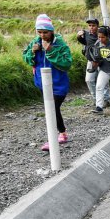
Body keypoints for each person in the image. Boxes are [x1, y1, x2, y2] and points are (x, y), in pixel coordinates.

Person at [23, 14, 72, 151]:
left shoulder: (60, 44)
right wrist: (32, 53)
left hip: (58, 85)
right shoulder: (35, 42)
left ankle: (54, 140)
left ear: (52, 31)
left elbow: (67, 63)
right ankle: (62, 133)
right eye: (39, 32)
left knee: (52, 110)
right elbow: (27, 59)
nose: (42, 35)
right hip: (42, 83)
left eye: (45, 32)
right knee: (52, 110)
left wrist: (50, 51)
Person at [76, 17, 110, 107]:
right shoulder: (86, 34)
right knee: (89, 80)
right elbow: (82, 41)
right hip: (91, 61)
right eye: (89, 25)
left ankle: (106, 100)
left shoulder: (102, 34)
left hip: (103, 61)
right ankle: (96, 99)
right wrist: (78, 36)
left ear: (97, 26)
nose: (91, 27)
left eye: (93, 25)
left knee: (104, 81)